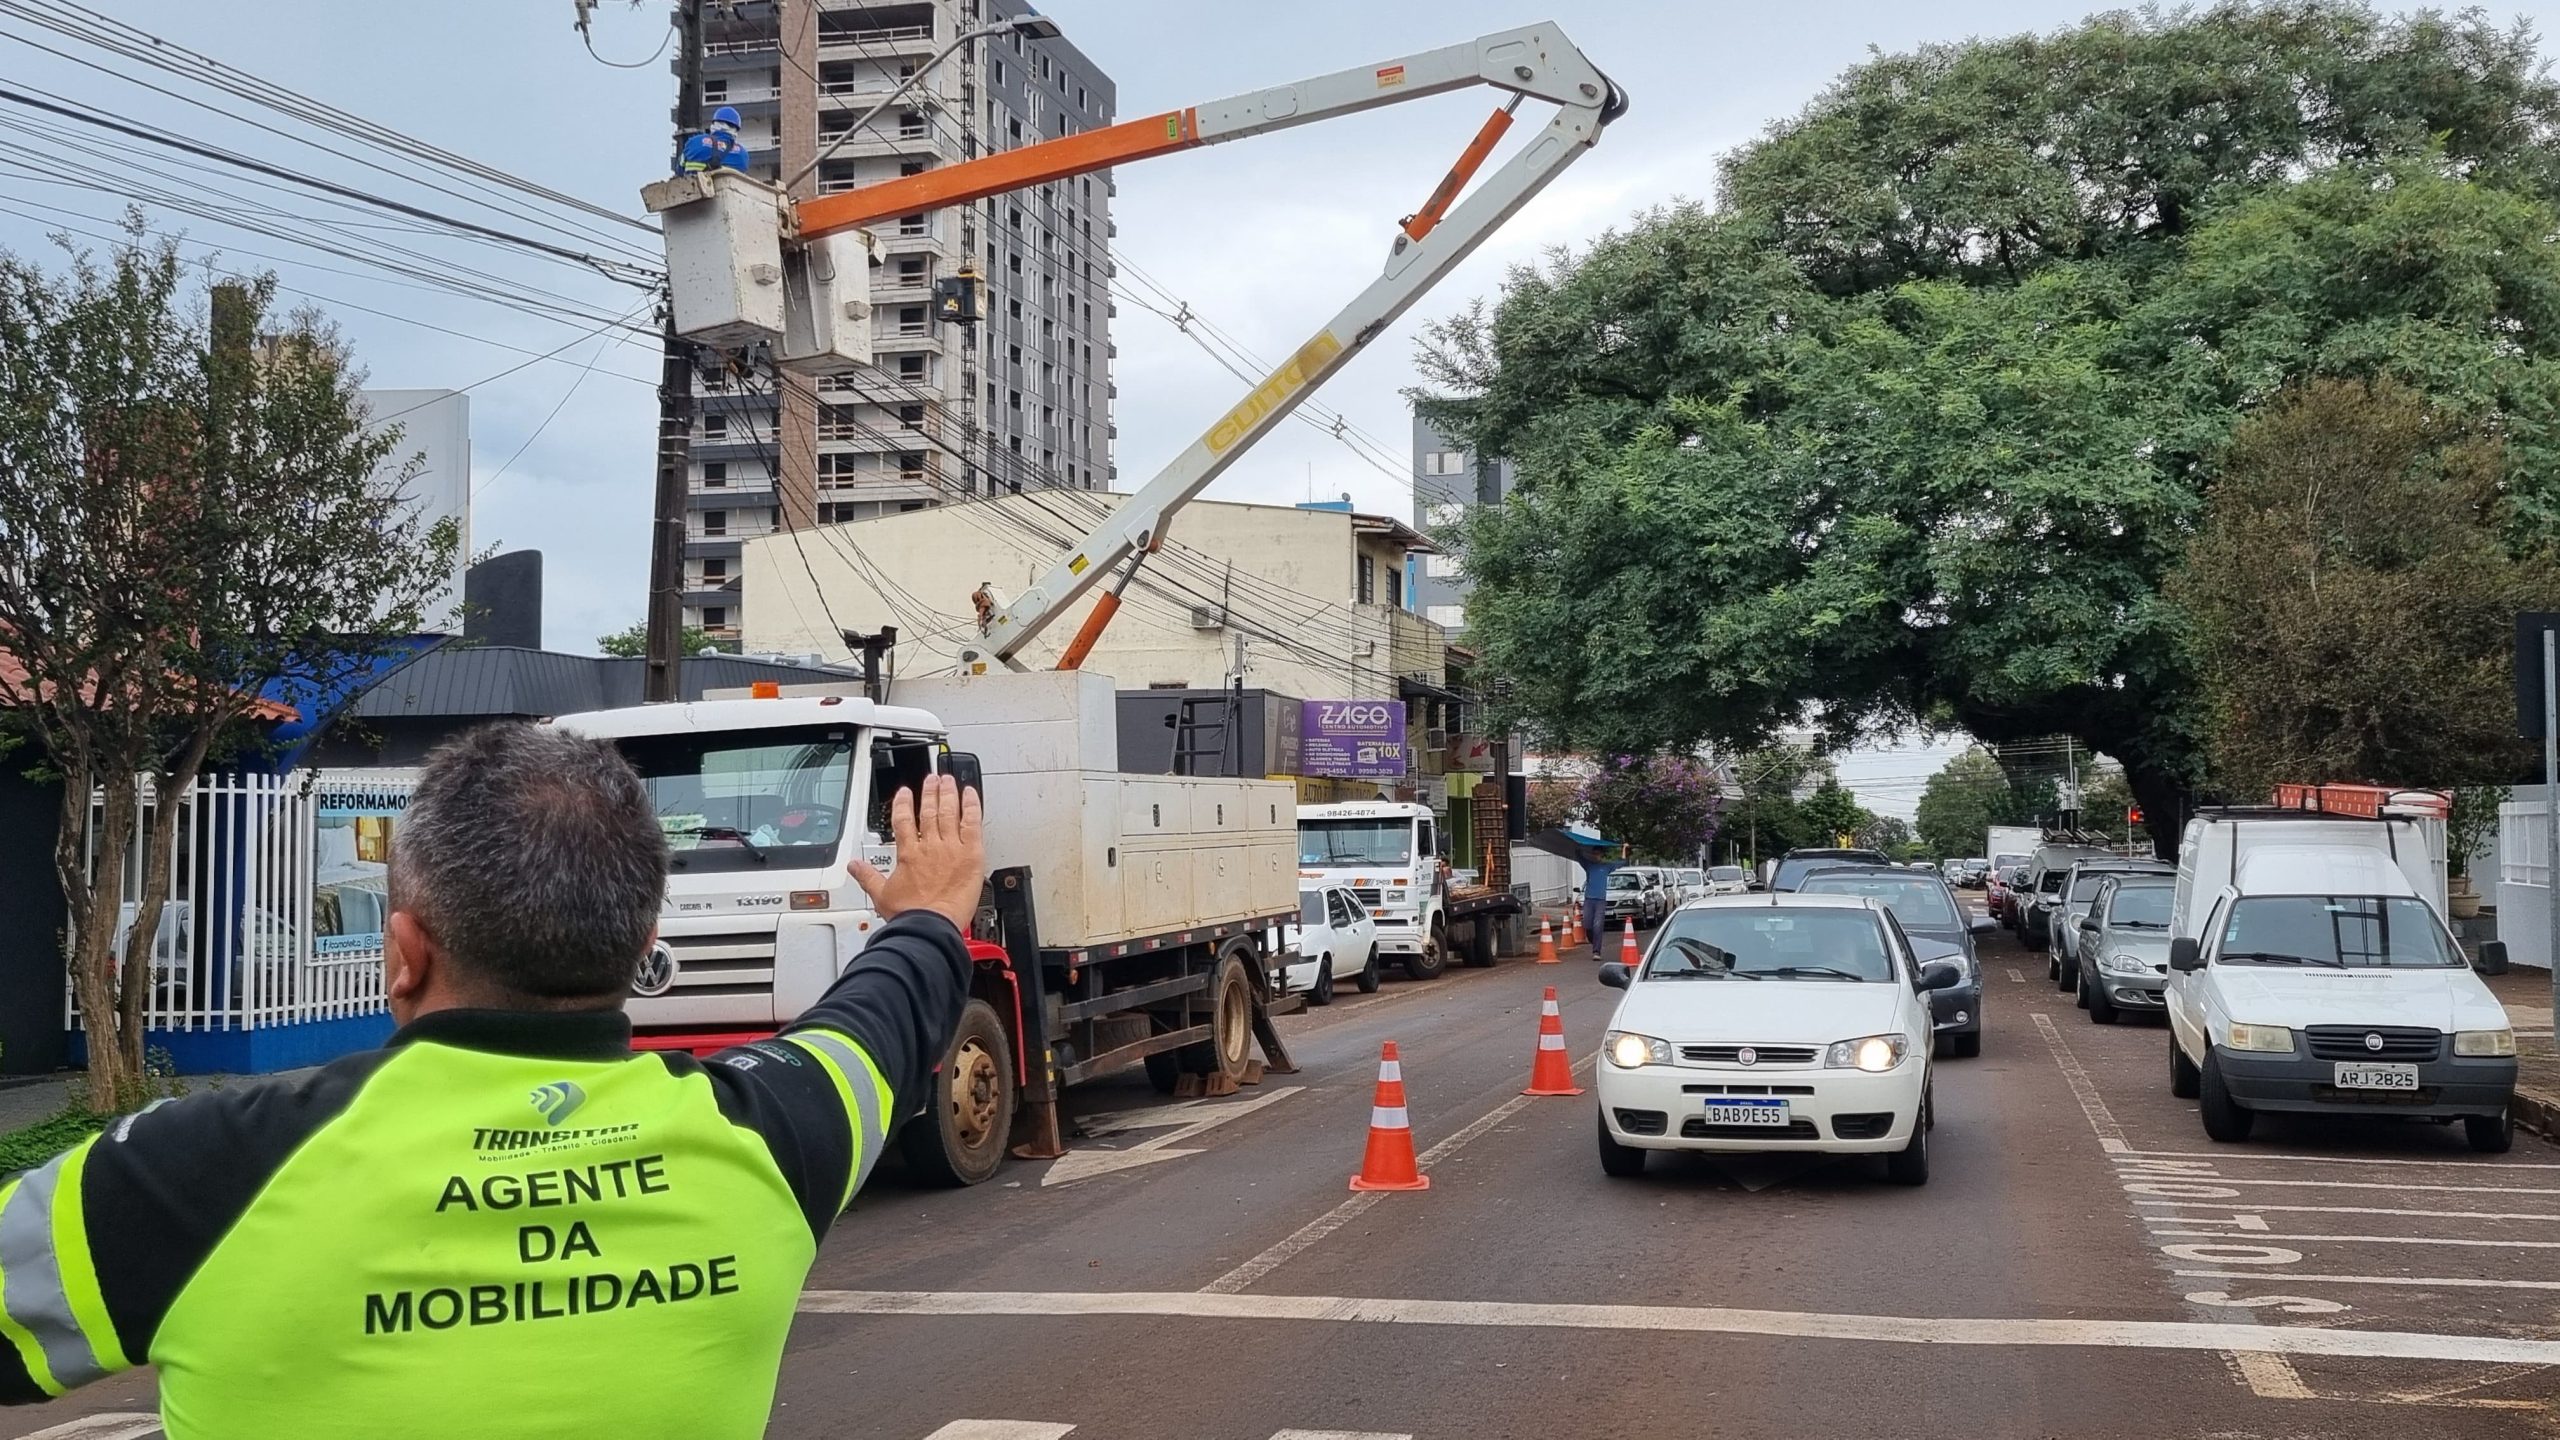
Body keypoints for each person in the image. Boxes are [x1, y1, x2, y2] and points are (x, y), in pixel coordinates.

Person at [0, 723, 979, 1438]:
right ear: (644, 946)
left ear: (402, 955)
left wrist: (925, 930)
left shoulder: (191, 1176)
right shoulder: (771, 1141)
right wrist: (931, 913)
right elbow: (879, 1021)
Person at [676, 104, 752, 175]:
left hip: (693, 187)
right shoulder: (743, 154)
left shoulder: (694, 142)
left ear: (714, 124)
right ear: (735, 130)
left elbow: (679, 170)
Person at [1581, 844, 1622, 960]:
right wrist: (1579, 846)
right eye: (1594, 854)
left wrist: (1624, 849)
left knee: (1598, 925)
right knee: (1587, 924)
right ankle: (1593, 940)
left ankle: (1596, 951)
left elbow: (1622, 862)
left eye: (1598, 854)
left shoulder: (1607, 866)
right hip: (1589, 899)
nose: (1596, 856)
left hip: (1600, 900)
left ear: (1602, 855)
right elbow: (1578, 856)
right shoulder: (1589, 865)